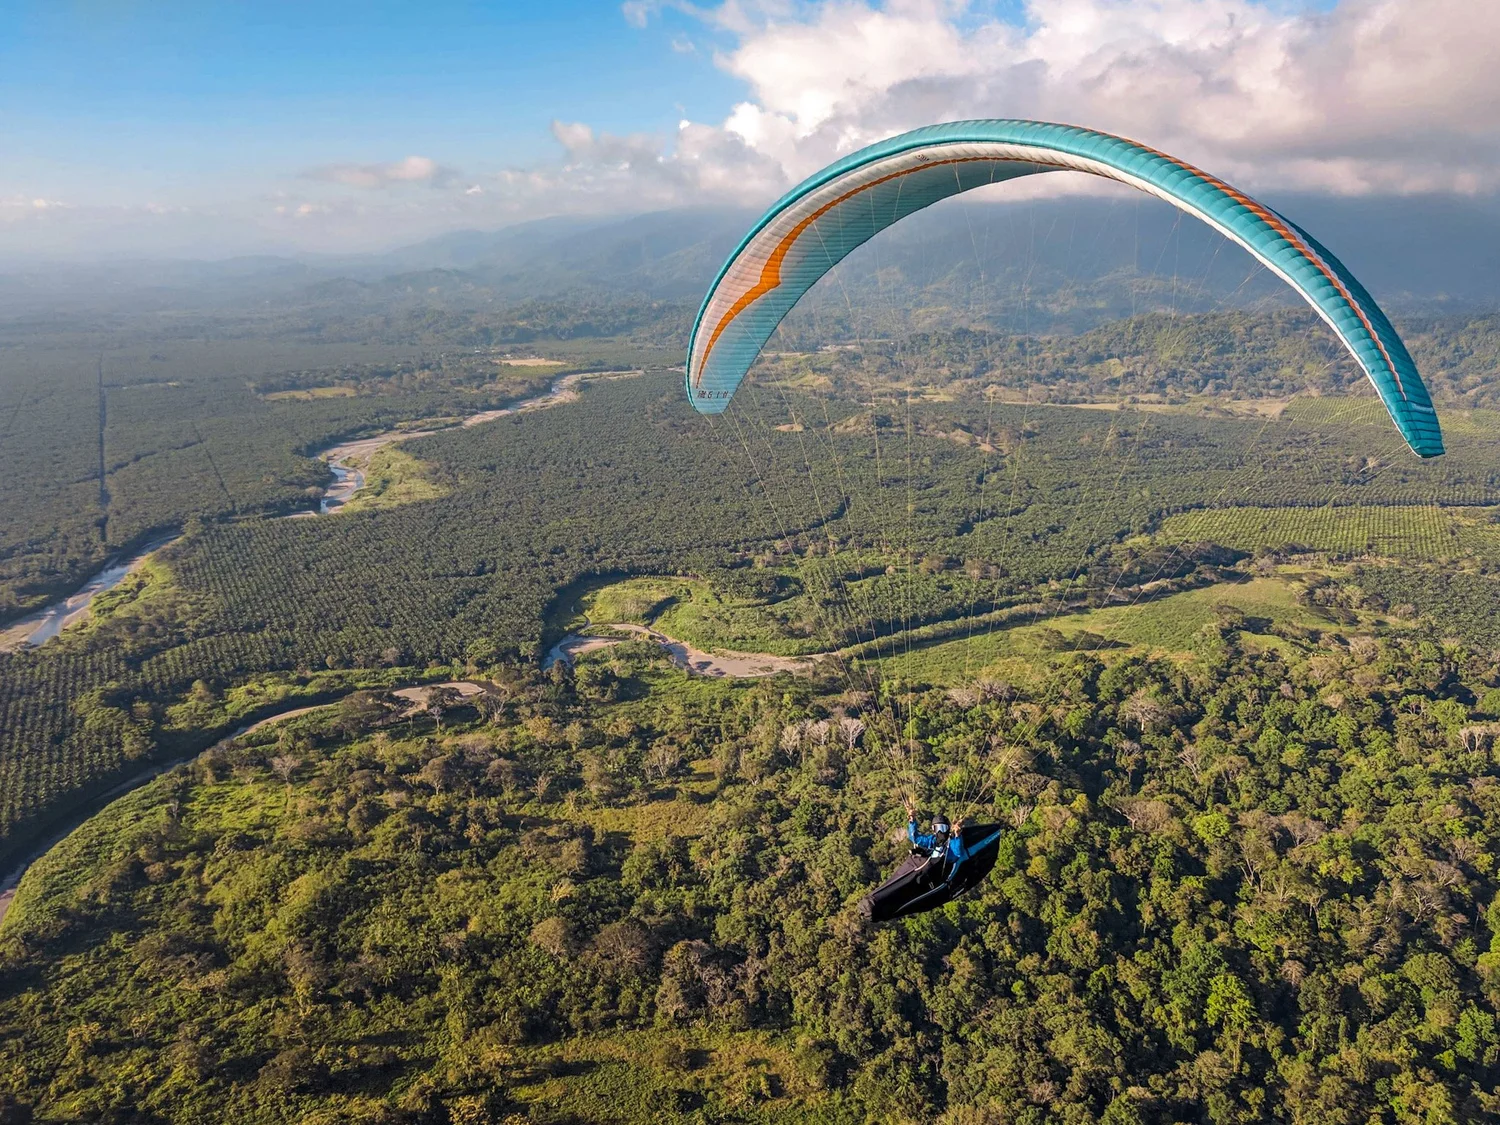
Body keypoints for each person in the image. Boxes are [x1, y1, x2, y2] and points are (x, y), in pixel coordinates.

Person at [905, 797, 968, 873]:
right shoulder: (932, 840)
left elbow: (958, 853)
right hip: (932, 868)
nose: (940, 831)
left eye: (943, 828)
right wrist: (912, 820)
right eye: (937, 828)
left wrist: (957, 835)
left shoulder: (952, 841)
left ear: (948, 829)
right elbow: (915, 838)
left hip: (946, 869)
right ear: (933, 830)